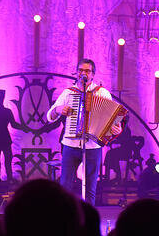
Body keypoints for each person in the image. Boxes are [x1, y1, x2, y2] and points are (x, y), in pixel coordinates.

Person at [46, 58, 121, 204]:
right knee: (65, 187)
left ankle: (88, 222)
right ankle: (65, 221)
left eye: (87, 71)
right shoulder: (68, 93)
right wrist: (58, 109)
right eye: (80, 70)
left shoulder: (102, 93)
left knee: (90, 189)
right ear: (76, 73)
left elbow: (113, 119)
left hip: (93, 146)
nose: (83, 73)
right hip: (70, 145)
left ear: (93, 75)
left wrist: (115, 128)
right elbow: (50, 116)